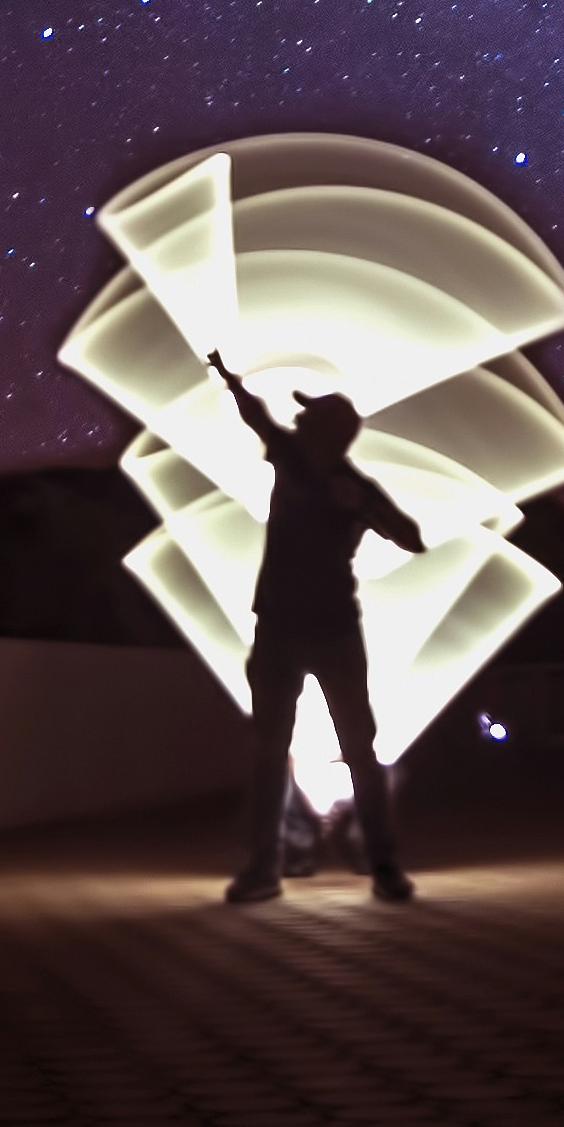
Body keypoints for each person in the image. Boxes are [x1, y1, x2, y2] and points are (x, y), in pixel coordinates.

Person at [205, 351, 430, 907]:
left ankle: (382, 866)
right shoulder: (291, 457)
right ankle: (265, 868)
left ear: (330, 434)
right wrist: (230, 381)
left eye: (308, 418)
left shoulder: (347, 481)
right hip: (282, 627)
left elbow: (412, 537)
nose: (296, 421)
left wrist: (359, 505)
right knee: (271, 749)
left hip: (327, 631)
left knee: (357, 747)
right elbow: (257, 416)